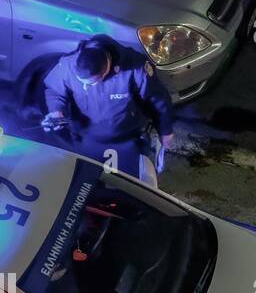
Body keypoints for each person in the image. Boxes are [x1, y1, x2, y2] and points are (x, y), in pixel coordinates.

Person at [41, 35, 175, 188]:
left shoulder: (135, 67)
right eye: (82, 83)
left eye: (91, 83)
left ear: (106, 70)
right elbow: (54, 91)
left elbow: (158, 100)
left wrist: (165, 130)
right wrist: (56, 111)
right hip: (85, 138)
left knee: (127, 189)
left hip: (127, 139)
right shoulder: (68, 64)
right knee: (83, 188)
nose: (86, 87)